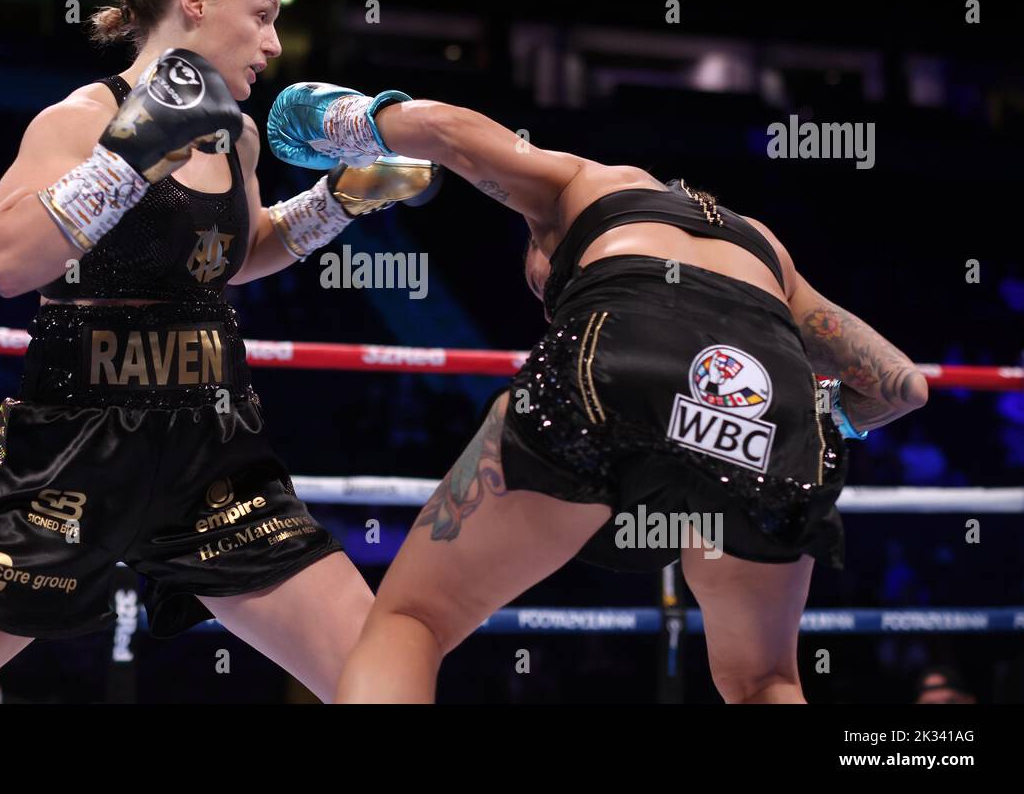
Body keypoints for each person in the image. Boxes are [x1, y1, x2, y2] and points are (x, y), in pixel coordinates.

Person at [0, 0, 436, 704]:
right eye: (259, 15)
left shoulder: (241, 136)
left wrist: (340, 199)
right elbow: (8, 261)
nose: (271, 42)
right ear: (196, 0)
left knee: (381, 680)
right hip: (76, 454)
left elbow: (236, 254)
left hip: (214, 451)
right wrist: (128, 157)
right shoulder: (80, 117)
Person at [266, 82, 929, 703]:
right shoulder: (765, 250)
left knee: (413, 617)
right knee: (764, 679)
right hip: (764, 399)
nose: (535, 283)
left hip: (620, 349)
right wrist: (824, 415)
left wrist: (330, 119)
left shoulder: (589, 181)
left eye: (532, 265)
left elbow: (443, 128)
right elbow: (902, 386)